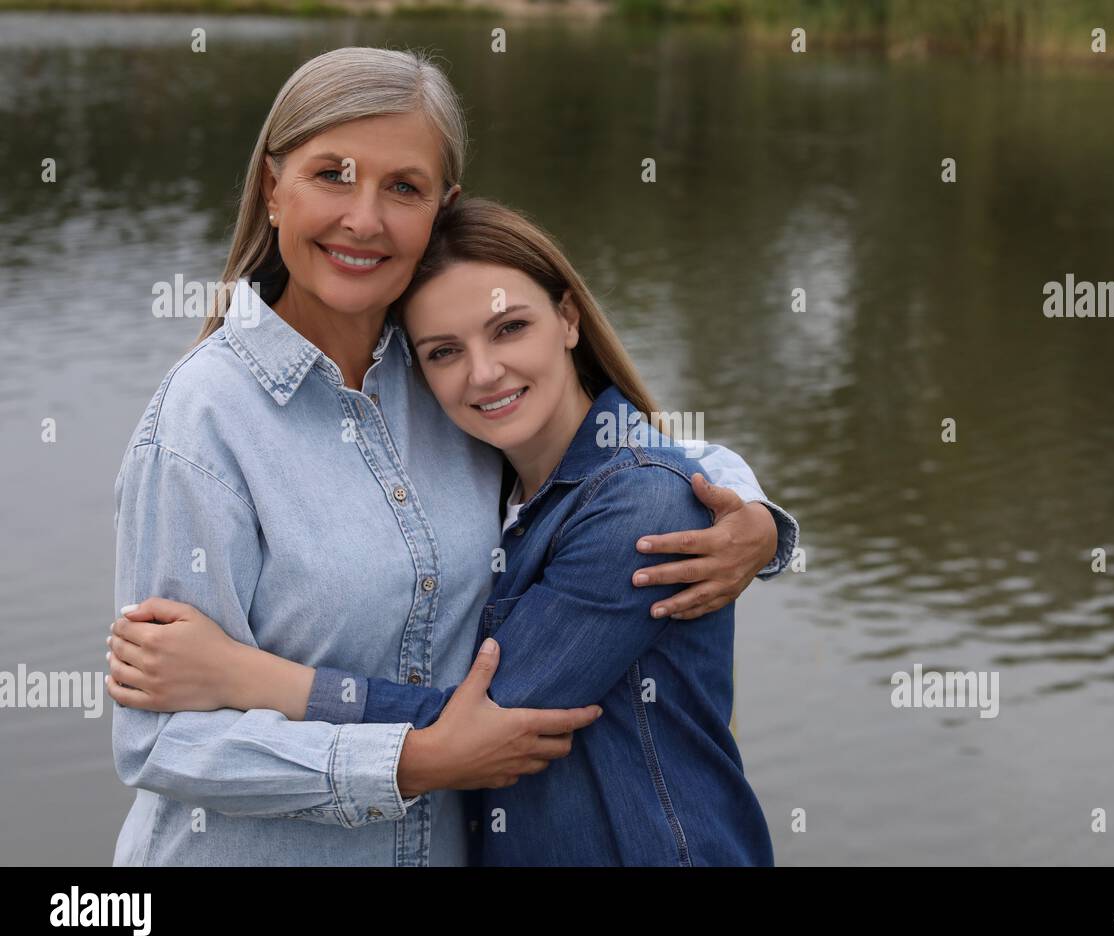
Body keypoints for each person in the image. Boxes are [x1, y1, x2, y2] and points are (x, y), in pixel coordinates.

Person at [107, 47, 797, 866]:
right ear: (271, 186)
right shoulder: (202, 423)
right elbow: (159, 744)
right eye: (333, 174)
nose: (364, 218)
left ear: (443, 207)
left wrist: (754, 521)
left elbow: (613, 465)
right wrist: (408, 763)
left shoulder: (442, 375)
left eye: (403, 187)